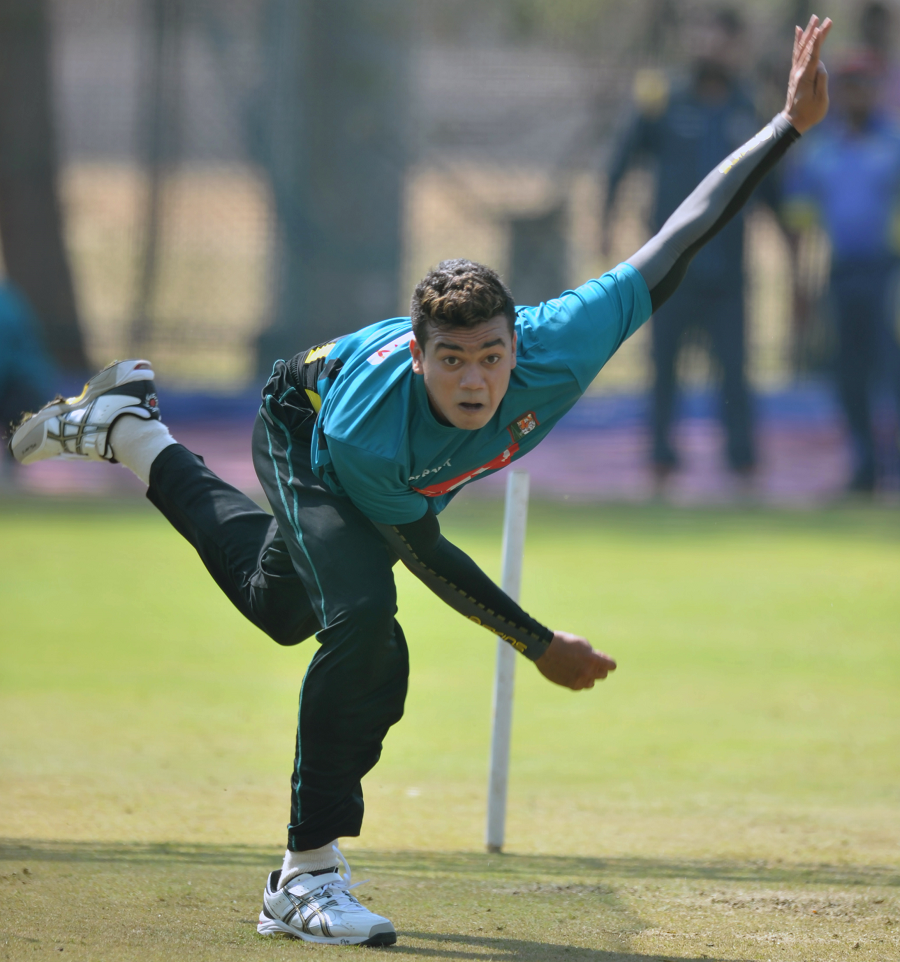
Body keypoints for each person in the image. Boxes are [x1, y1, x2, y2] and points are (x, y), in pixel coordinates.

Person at [8, 16, 832, 948]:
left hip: (385, 467)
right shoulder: (369, 429)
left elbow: (682, 236)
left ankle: (130, 431)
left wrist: (786, 126)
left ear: (518, 340)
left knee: (283, 609)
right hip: (306, 430)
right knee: (365, 625)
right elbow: (424, 554)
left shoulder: (566, 341)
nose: (475, 381)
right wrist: (536, 643)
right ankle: (305, 876)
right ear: (417, 355)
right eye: (452, 361)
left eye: (491, 356)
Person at [604, 5, 779, 489]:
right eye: (704, 36)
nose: (711, 47)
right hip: (670, 269)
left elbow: (772, 187)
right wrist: (606, 221)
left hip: (726, 271)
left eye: (722, 39)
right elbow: (621, 162)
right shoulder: (664, 102)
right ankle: (660, 462)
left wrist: (790, 241)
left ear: (737, 48)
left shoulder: (749, 110)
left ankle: (742, 465)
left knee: (734, 369)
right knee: (664, 367)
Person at [784, 53, 900, 493]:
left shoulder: (893, 143)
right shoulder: (821, 149)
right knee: (848, 374)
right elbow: (799, 217)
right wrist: (800, 280)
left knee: (892, 368)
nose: (858, 95)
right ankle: (864, 465)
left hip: (888, 274)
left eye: (866, 85)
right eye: (850, 86)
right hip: (841, 273)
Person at [0, 280, 55, 477]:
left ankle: (11, 476)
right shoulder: (9, 296)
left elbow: (4, 361)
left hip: (21, 389)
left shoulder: (4, 309)